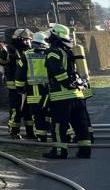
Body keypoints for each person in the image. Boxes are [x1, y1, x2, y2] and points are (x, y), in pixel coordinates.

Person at [45, 23, 92, 159]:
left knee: (59, 125)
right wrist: (75, 86)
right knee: (80, 124)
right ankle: (85, 151)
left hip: (61, 97)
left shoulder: (54, 52)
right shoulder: (69, 50)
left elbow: (58, 72)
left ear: (54, 36)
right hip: (78, 95)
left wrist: (68, 84)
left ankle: (59, 152)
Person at [0, 28, 33, 138]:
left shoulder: (28, 51)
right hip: (14, 86)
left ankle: (30, 132)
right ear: (19, 39)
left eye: (28, 40)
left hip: (28, 85)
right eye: (25, 40)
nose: (28, 42)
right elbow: (2, 62)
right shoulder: (10, 50)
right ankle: (14, 131)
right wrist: (3, 53)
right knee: (16, 109)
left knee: (29, 110)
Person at [23, 31, 52, 142]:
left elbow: (20, 72)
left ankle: (41, 136)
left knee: (37, 115)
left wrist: (20, 87)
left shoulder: (27, 54)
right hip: (50, 89)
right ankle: (61, 135)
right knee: (53, 113)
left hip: (33, 91)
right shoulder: (50, 53)